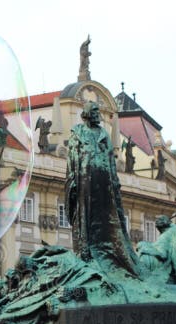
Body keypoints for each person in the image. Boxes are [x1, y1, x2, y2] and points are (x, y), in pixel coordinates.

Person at [65, 101, 138, 274]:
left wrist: (114, 179)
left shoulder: (104, 133)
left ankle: (108, 252)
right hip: (85, 179)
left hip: (104, 182)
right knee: (86, 215)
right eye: (95, 111)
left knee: (107, 216)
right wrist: (72, 179)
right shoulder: (78, 133)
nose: (98, 114)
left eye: (99, 111)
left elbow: (110, 159)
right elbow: (72, 159)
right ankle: (86, 250)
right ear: (87, 113)